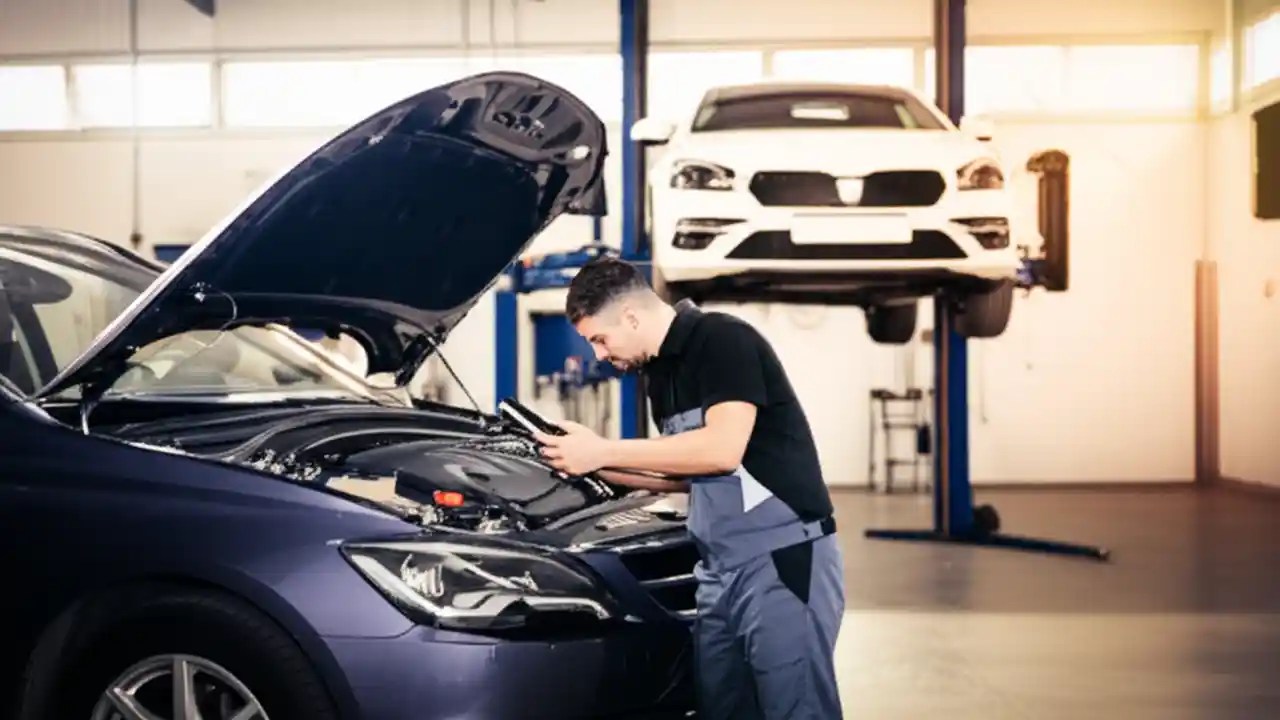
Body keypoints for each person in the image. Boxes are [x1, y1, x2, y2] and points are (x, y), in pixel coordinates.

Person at [533, 257, 845, 720]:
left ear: (632, 317)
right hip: (718, 570)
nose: (599, 354)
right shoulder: (658, 375)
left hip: (780, 561)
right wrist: (586, 466)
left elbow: (721, 451)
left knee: (795, 708)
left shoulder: (722, 340)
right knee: (721, 706)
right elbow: (687, 472)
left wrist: (603, 451)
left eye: (600, 338)